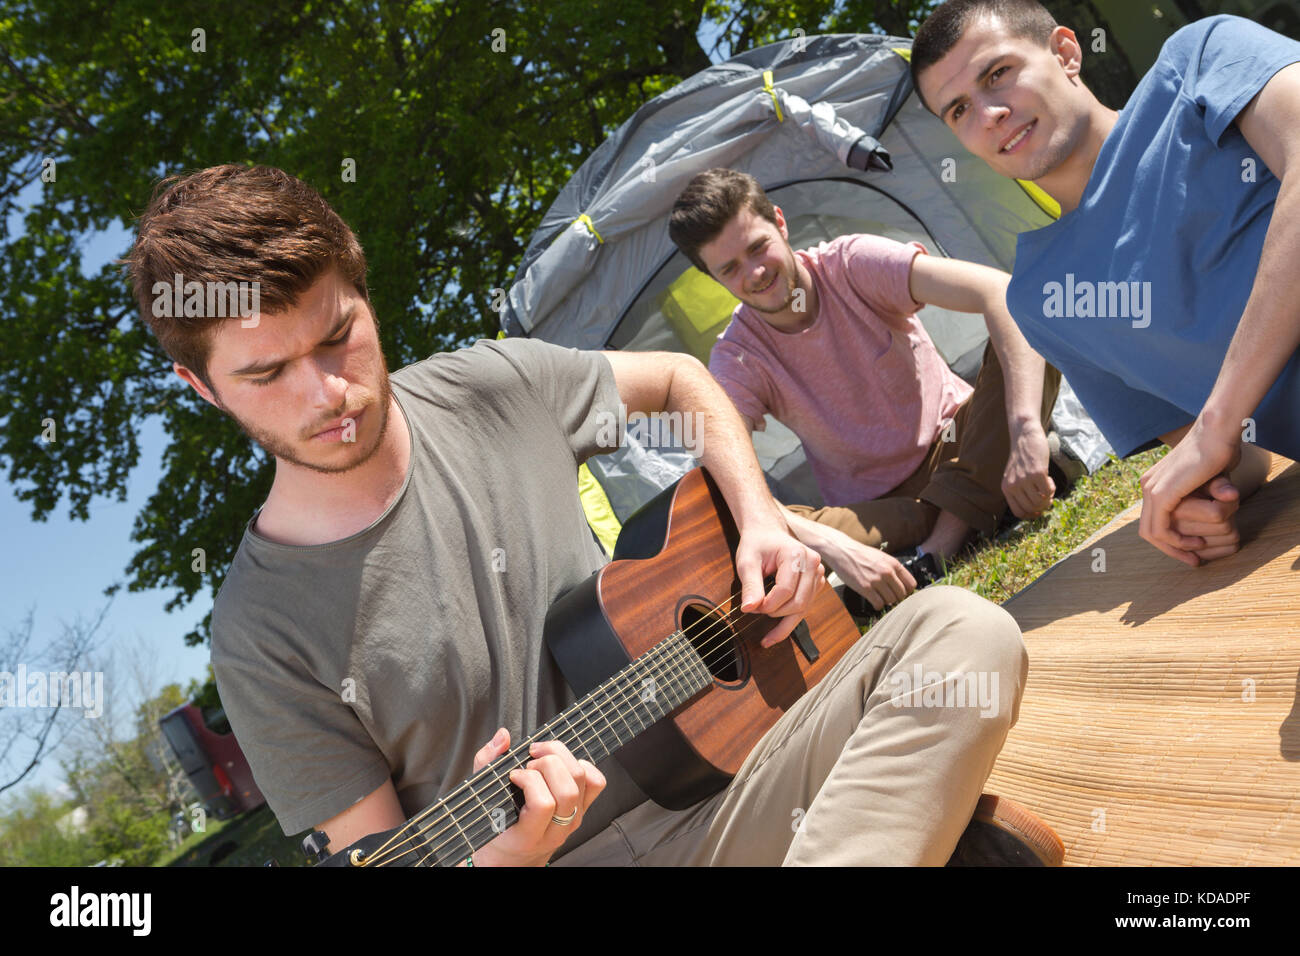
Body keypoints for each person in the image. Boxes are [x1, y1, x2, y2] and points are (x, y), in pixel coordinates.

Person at [124, 163, 1061, 866]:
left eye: (339, 337)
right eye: (267, 373)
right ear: (201, 387)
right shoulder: (261, 630)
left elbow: (682, 380)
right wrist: (511, 853)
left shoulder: (491, 385)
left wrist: (763, 516)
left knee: (963, 637)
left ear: (365, 295)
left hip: (729, 786)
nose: (329, 392)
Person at [909, 1, 1293, 566]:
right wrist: (1201, 495)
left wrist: (1217, 423)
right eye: (959, 109)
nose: (988, 113)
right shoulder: (1042, 300)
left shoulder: (1200, 59)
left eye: (997, 75)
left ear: (1065, 52)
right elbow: (1242, 457)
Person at [669, 168, 1061, 612]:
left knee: (1032, 322)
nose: (756, 272)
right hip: (878, 509)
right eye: (730, 269)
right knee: (749, 518)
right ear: (713, 279)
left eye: (758, 247)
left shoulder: (851, 263)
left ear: (780, 222)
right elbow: (717, 478)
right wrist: (837, 547)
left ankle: (937, 549)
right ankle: (981, 505)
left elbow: (1001, 292)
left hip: (957, 443)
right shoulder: (738, 358)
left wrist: (1025, 428)